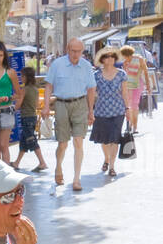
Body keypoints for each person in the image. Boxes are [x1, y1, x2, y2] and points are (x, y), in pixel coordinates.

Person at [42, 38, 96, 192]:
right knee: (62, 143)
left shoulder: (86, 66)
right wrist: (46, 106)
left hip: (80, 104)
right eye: (73, 51)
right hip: (61, 104)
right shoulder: (57, 64)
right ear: (67, 49)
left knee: (78, 142)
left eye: (79, 51)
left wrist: (91, 111)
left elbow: (91, 89)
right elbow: (48, 86)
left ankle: (76, 179)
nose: (76, 54)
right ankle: (58, 167)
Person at [92, 47, 129, 179]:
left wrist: (127, 108)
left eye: (113, 56)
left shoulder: (121, 74)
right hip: (101, 111)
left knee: (115, 139)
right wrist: (89, 110)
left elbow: (125, 92)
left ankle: (112, 166)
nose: (111, 58)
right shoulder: (96, 75)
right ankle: (106, 158)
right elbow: (92, 93)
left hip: (118, 111)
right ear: (102, 59)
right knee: (105, 140)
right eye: (107, 56)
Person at [13, 66, 46, 173]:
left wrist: (12, 109)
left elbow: (18, 104)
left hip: (26, 117)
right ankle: (16, 163)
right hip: (32, 116)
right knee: (24, 141)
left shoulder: (24, 90)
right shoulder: (35, 90)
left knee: (31, 140)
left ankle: (42, 162)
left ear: (27, 77)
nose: (21, 78)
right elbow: (36, 104)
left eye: (22, 76)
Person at [119, 45, 151, 131]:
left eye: (125, 56)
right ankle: (129, 124)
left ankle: (134, 126)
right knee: (128, 106)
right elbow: (124, 74)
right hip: (127, 85)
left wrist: (148, 85)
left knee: (134, 105)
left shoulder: (140, 59)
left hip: (137, 85)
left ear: (129, 54)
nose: (125, 58)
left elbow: (146, 72)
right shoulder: (124, 62)